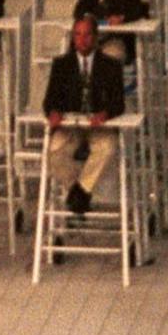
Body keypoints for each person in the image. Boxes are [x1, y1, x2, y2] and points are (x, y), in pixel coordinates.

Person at [41, 15, 124, 217]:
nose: (82, 39)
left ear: (95, 38)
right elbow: (50, 100)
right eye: (77, 34)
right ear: (72, 38)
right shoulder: (62, 64)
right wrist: (53, 112)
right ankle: (76, 191)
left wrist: (105, 113)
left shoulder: (110, 65)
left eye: (87, 35)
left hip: (98, 126)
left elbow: (118, 103)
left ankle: (82, 190)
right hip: (71, 125)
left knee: (108, 147)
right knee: (54, 150)